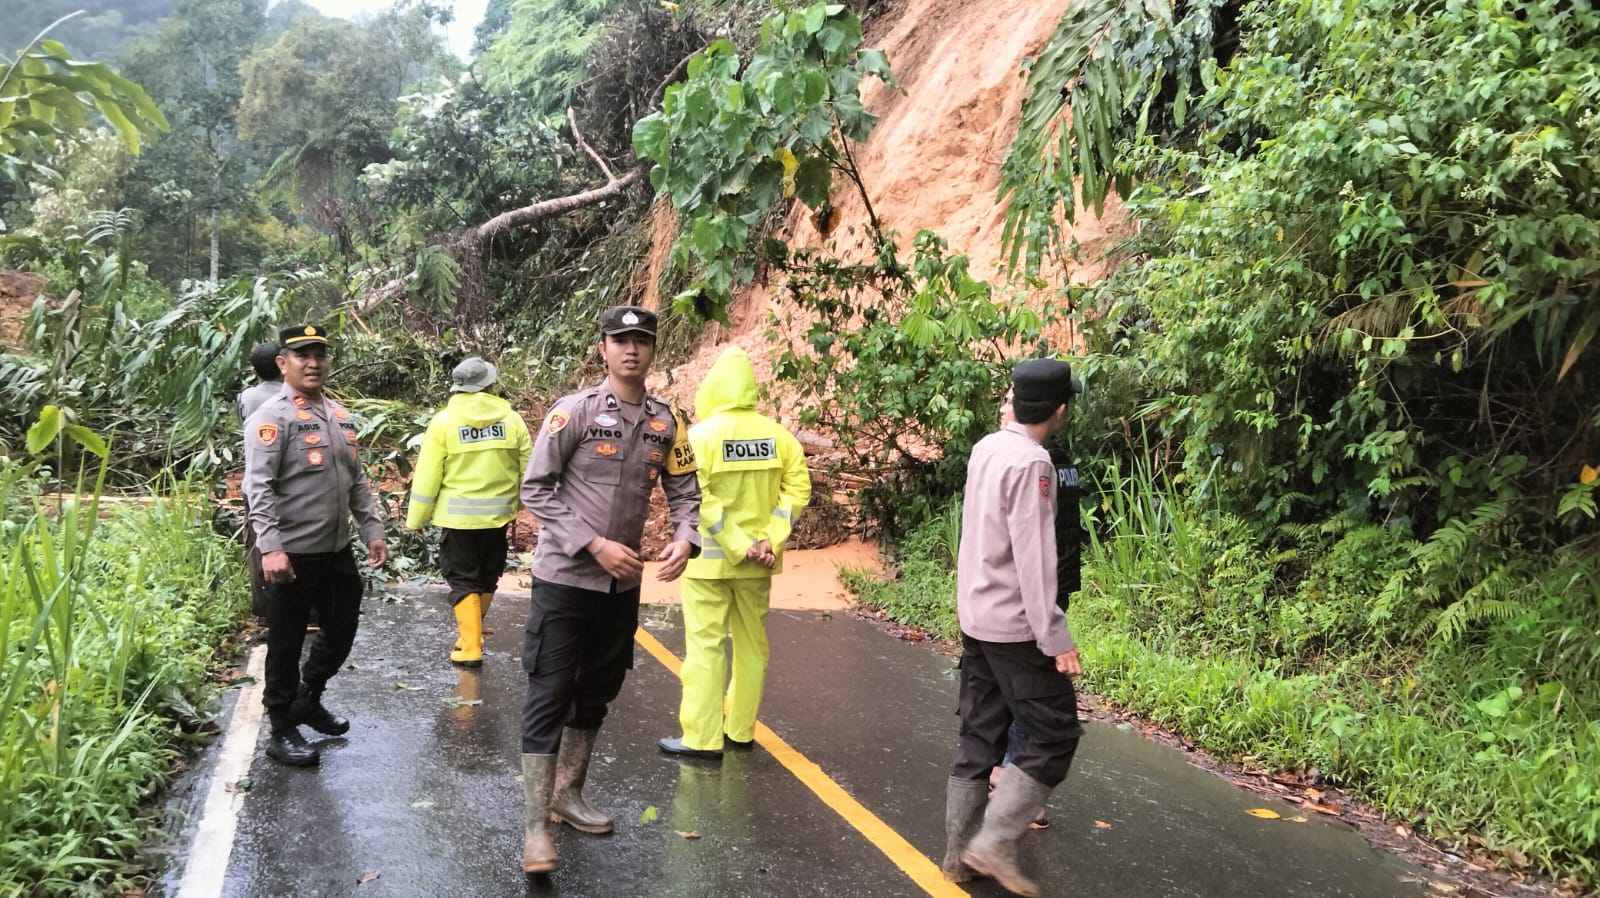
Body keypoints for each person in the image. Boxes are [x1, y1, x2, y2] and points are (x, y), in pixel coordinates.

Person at [517, 306, 701, 874]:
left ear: (653, 350)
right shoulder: (573, 412)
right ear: (603, 348)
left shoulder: (668, 423)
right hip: (564, 579)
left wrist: (686, 536)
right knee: (550, 693)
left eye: (641, 340)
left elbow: (685, 489)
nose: (631, 349)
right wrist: (593, 544)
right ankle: (535, 828)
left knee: (596, 691)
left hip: (621, 589)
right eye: (621, 340)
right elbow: (536, 488)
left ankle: (567, 795)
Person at [942, 358, 1084, 897]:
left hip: (977, 617)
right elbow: (1035, 559)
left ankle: (958, 855)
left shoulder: (987, 447)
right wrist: (1055, 635)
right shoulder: (1033, 462)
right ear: (1060, 410)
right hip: (1014, 627)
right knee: (1054, 732)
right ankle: (995, 843)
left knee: (980, 733)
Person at [242, 325, 389, 768]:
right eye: (302, 355)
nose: (313, 363)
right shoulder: (271, 418)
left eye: (319, 354)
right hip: (292, 551)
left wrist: (372, 529)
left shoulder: (340, 416)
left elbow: (355, 479)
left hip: (336, 548)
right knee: (286, 641)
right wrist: (270, 548)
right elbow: (258, 486)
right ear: (283, 364)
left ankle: (309, 695)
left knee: (342, 626)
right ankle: (281, 727)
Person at [658, 345, 812, 760]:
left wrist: (737, 544)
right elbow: (797, 491)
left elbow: (697, 496)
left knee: (705, 648)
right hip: (759, 565)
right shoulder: (781, 438)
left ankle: (702, 738)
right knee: (751, 647)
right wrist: (768, 539)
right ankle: (741, 730)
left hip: (708, 564)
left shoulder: (698, 438)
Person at [405, 356, 533, 667]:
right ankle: (469, 635)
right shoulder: (512, 420)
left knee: (463, 579)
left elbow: (427, 477)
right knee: (487, 575)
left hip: (457, 519)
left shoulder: (444, 422)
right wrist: (521, 504)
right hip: (498, 518)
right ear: (489, 384)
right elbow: (529, 468)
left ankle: (472, 646)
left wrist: (416, 519)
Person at [236, 341, 283, 618]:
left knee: (258, 541)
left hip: (256, 479)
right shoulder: (295, 395)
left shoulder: (246, 397)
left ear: (255, 370)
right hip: (289, 481)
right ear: (283, 364)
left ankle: (265, 610)